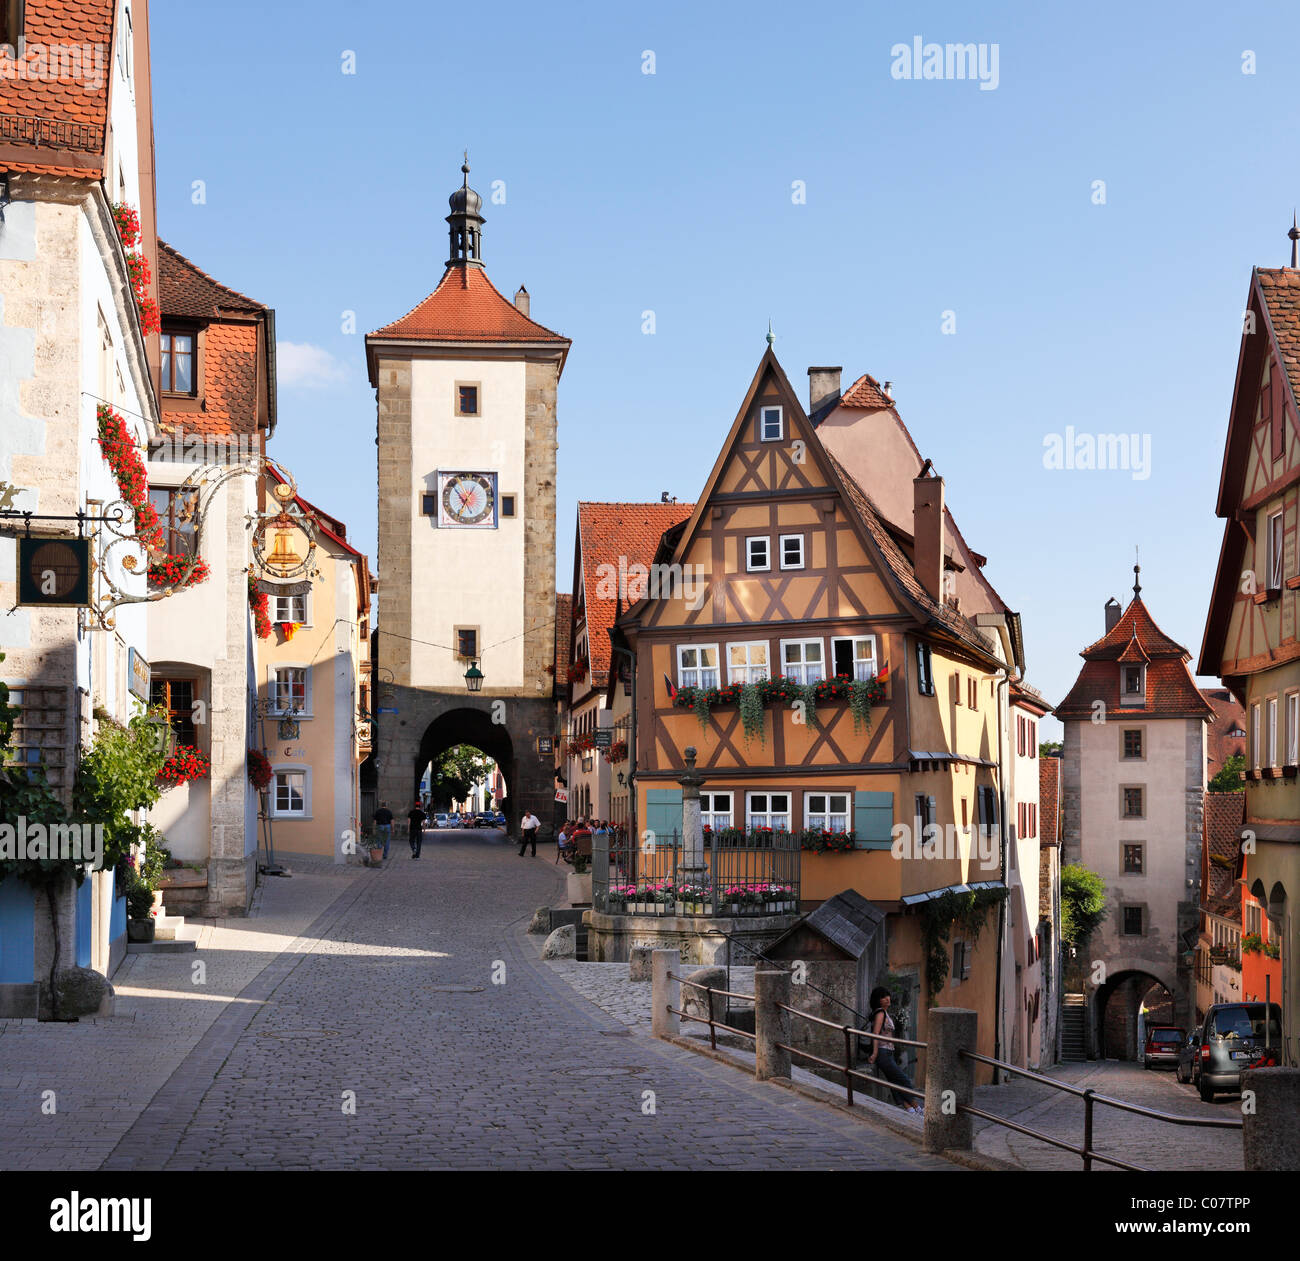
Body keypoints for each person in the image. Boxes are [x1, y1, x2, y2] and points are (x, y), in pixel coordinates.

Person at [867, 986, 921, 1114]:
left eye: (887, 995)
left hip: (888, 1053)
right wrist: (874, 1053)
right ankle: (917, 1108)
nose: (887, 999)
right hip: (883, 1053)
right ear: (878, 1000)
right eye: (883, 997)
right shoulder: (880, 1013)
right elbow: (875, 1034)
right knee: (904, 1080)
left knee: (894, 1082)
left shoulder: (884, 1013)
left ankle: (910, 1110)